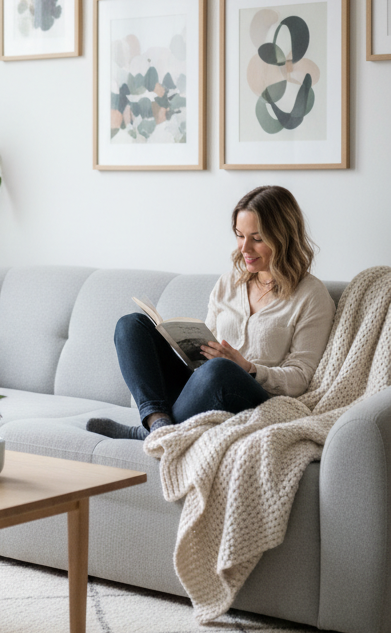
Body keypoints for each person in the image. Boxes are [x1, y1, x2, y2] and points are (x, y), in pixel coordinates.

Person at [87, 185, 336, 441]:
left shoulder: (311, 295)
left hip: (253, 398)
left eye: (257, 238)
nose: (244, 248)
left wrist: (248, 367)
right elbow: (203, 358)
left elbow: (301, 377)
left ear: (284, 237)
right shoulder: (229, 283)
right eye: (240, 235)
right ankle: (157, 422)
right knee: (131, 325)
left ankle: (148, 433)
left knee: (220, 370)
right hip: (206, 387)